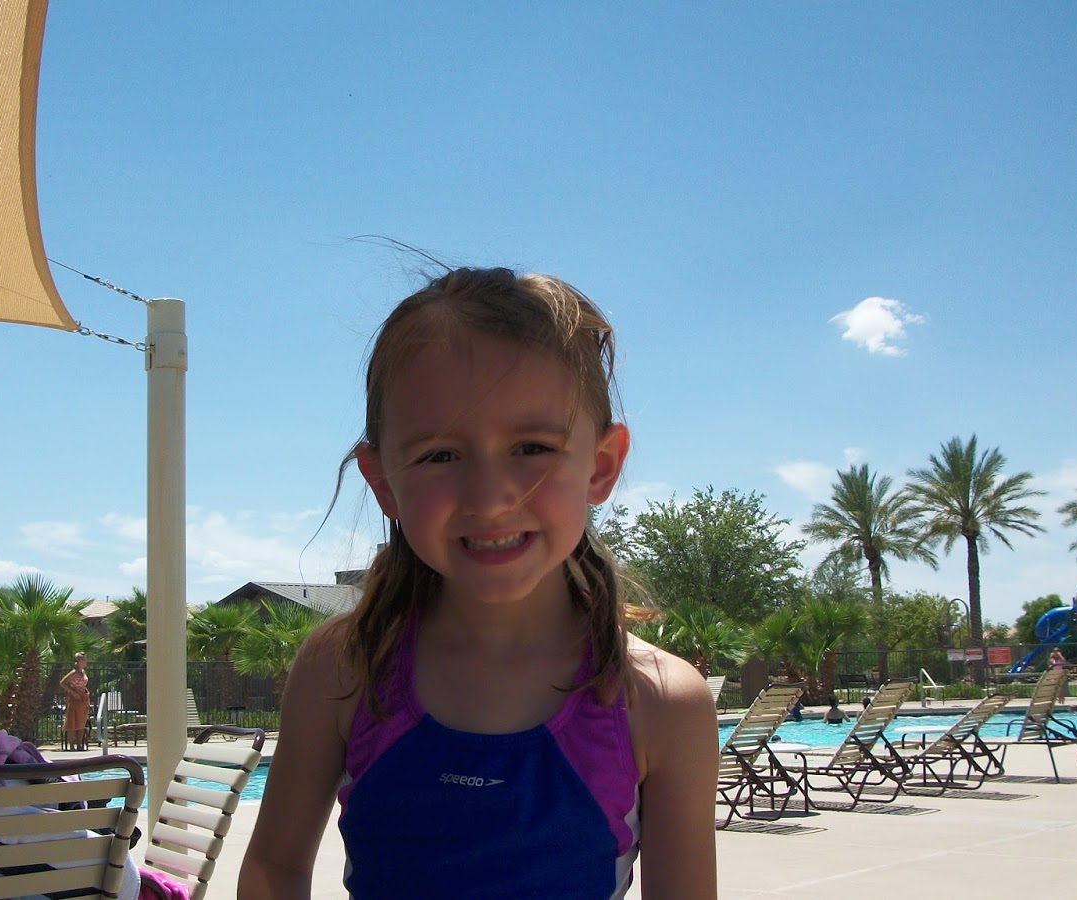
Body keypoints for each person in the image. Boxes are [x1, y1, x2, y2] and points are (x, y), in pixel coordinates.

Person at [238, 267, 718, 899]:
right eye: (440, 455)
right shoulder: (343, 667)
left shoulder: (659, 702)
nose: (490, 499)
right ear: (384, 481)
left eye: (533, 448)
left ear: (600, 467)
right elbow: (275, 868)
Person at [59, 652, 91, 751]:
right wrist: (73, 693)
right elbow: (63, 683)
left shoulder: (83, 672)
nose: (86, 662)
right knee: (72, 721)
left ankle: (79, 744)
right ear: (80, 661)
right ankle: (71, 745)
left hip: (83, 698)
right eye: (84, 660)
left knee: (81, 722)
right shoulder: (74, 672)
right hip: (74, 698)